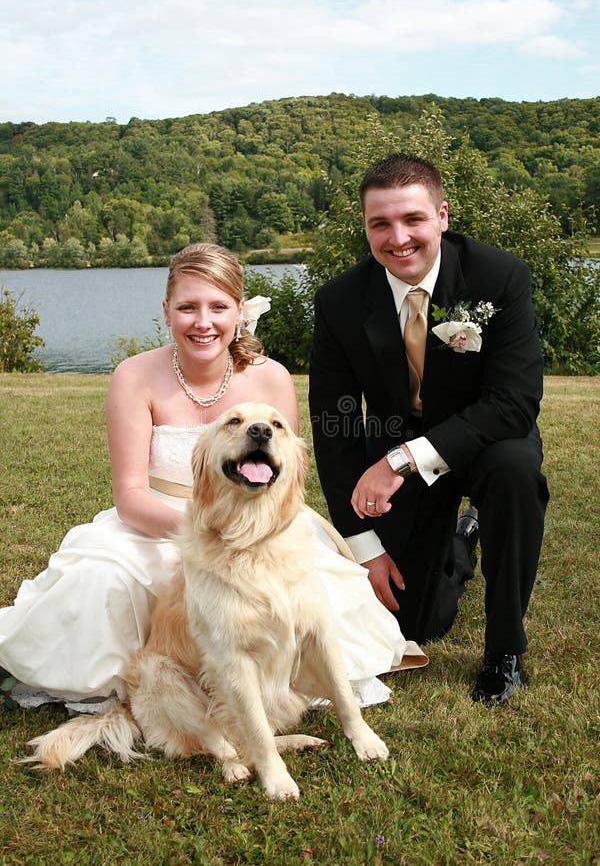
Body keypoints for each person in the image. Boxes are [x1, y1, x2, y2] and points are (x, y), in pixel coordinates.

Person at [0, 242, 425, 715]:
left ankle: (272, 679)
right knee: (103, 581)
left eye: (218, 307)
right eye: (188, 307)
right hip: (158, 524)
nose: (203, 322)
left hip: (257, 524)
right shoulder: (133, 376)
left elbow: (283, 481)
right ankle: (149, 679)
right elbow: (130, 494)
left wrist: (247, 537)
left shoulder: (272, 378)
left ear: (239, 312)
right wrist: (203, 537)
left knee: (315, 589)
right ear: (167, 311)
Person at [309, 154, 549, 706]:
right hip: (394, 452)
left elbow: (514, 403)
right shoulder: (339, 301)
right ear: (365, 226)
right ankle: (460, 546)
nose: (398, 238)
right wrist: (364, 546)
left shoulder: (499, 277)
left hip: (487, 442)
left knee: (515, 471)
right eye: (380, 223)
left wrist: (401, 460)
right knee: (413, 624)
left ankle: (504, 651)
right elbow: (334, 424)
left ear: (441, 216)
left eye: (413, 219)